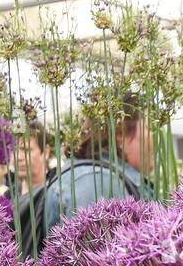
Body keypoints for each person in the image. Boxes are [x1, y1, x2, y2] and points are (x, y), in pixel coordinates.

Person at [42, 96, 155, 237]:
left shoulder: (94, 176)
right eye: (148, 127)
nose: (153, 136)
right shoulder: (100, 182)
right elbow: (94, 252)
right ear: (120, 132)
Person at [10, 122, 54, 260]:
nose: (19, 157)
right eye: (15, 150)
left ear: (45, 152)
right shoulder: (7, 196)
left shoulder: (54, 193)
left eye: (26, 150)